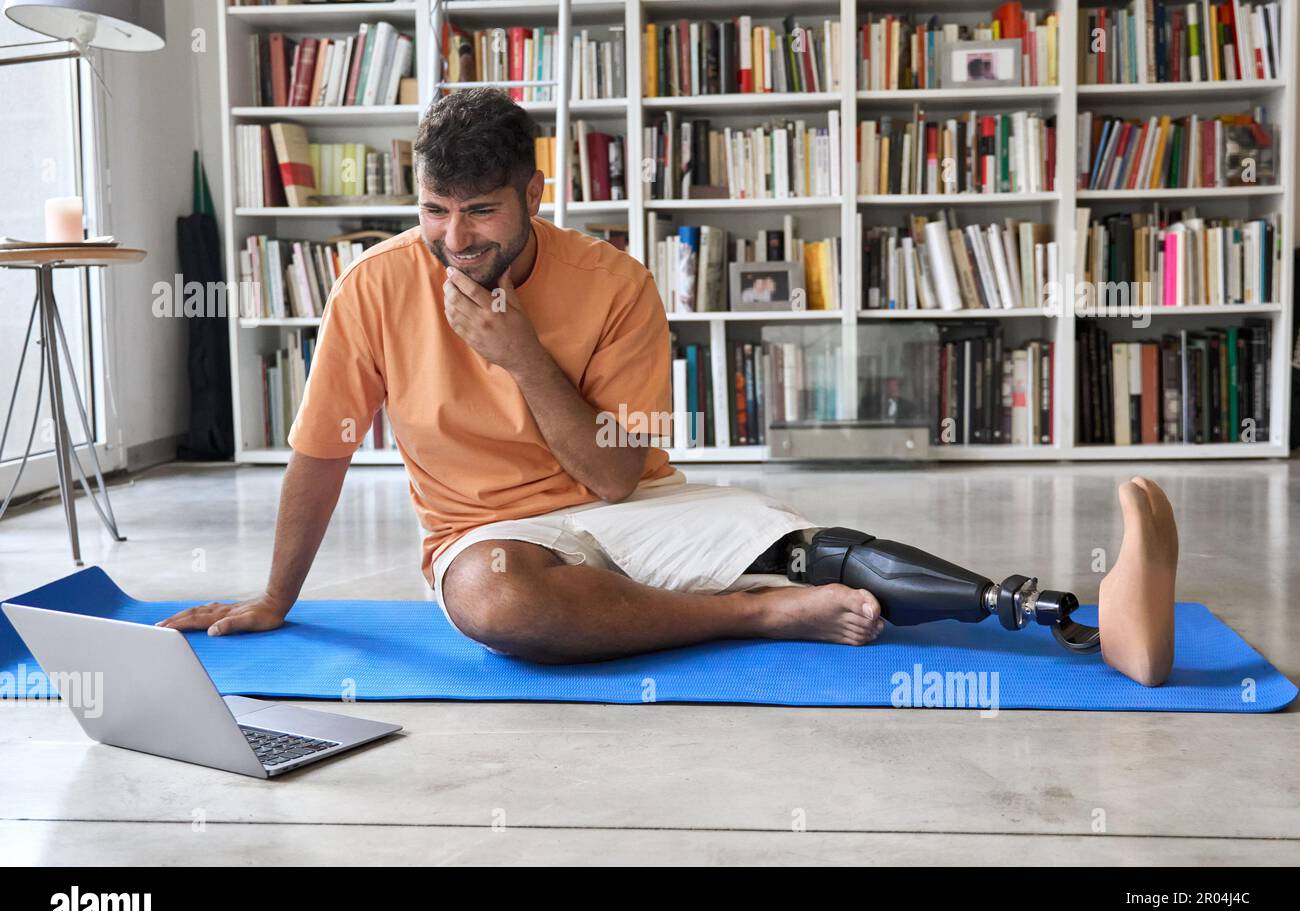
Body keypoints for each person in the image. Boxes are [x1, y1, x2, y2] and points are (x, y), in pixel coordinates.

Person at [158, 90, 1177, 687]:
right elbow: (322, 452)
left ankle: (1061, 614)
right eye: (434, 211)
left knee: (813, 548)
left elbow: (608, 475)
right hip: (486, 533)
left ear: (533, 197)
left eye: (479, 212)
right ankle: (754, 614)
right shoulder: (374, 285)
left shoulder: (616, 284)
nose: (454, 239)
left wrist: (516, 351)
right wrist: (277, 596)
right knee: (492, 600)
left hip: (632, 504)